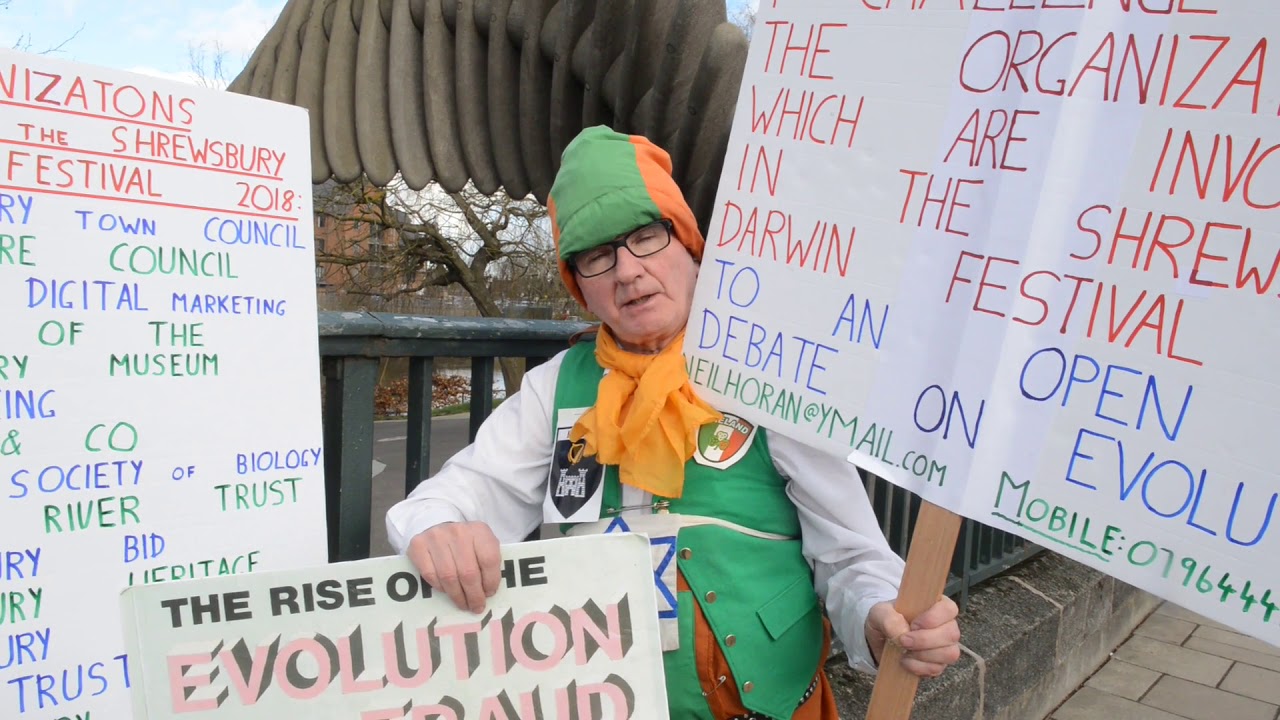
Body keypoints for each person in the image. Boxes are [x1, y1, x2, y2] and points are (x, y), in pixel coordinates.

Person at [386, 125, 961, 719]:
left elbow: (850, 557)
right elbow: (454, 498)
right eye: (597, 255)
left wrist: (880, 616)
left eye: (645, 236)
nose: (627, 271)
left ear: (689, 244)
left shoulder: (768, 371)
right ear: (579, 285)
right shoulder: (555, 386)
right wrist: (439, 528)